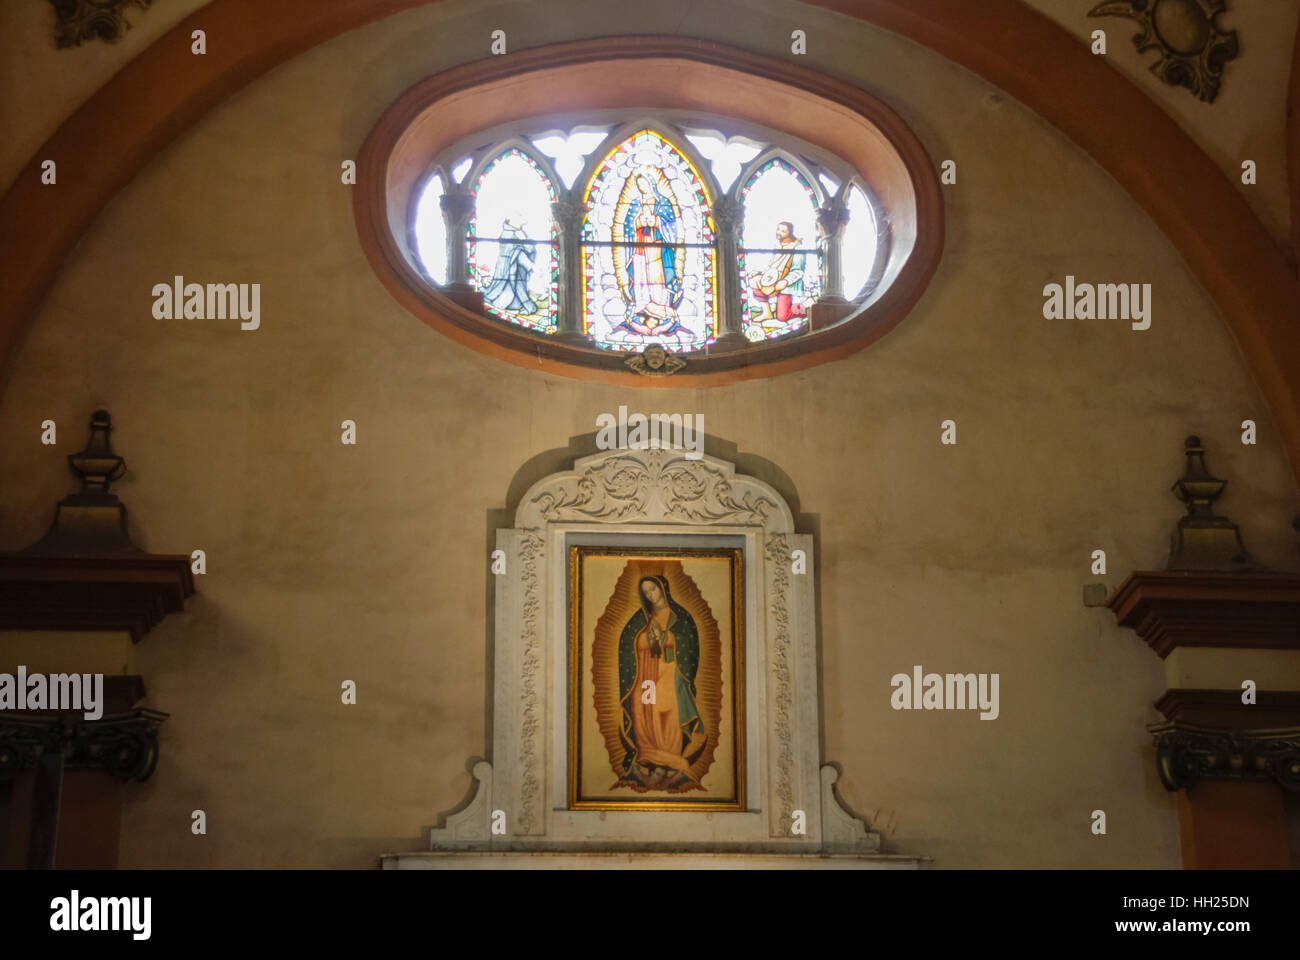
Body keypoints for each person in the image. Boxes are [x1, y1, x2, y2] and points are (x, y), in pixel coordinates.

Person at [616, 575, 706, 790]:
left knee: (664, 709)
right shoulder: (641, 618)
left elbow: (688, 644)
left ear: (663, 588)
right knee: (643, 709)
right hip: (644, 674)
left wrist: (665, 637)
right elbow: (627, 642)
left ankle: (669, 758)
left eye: (653, 589)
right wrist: (645, 640)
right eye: (646, 592)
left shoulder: (680, 617)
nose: (650, 595)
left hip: (667, 670)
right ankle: (649, 756)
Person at [749, 220, 807, 328]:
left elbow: (798, 271)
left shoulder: (798, 248)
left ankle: (805, 305)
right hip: (774, 278)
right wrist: (760, 273)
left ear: (790, 233)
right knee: (754, 280)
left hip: (788, 284)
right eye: (778, 229)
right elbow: (772, 267)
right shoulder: (778, 246)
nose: (779, 232)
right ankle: (767, 313)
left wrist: (786, 281)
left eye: (783, 231)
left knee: (783, 317)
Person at [480, 215, 537, 315]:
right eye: (519, 217)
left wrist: (524, 239)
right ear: (511, 221)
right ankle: (529, 307)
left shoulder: (519, 233)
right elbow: (513, 252)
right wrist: (529, 265)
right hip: (506, 271)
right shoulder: (507, 234)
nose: (522, 220)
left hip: (517, 269)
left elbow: (530, 250)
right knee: (502, 300)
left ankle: (529, 307)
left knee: (518, 288)